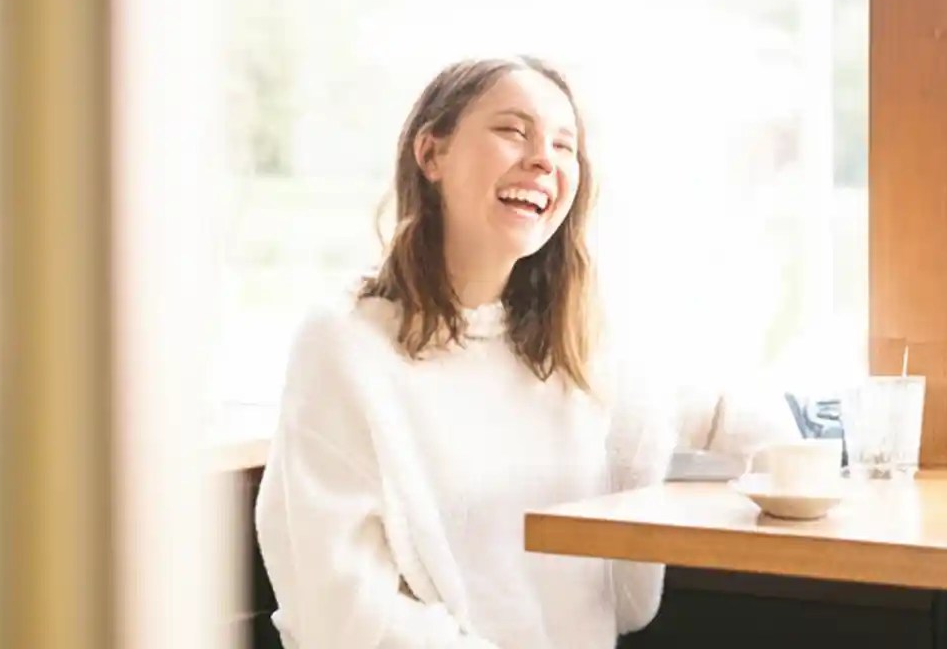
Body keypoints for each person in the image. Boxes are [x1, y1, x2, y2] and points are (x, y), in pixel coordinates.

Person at [255, 56, 799, 649]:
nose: (544, 158)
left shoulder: (576, 341)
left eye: (565, 146)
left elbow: (723, 414)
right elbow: (342, 608)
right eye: (513, 130)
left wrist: (811, 475)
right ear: (431, 154)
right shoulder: (346, 346)